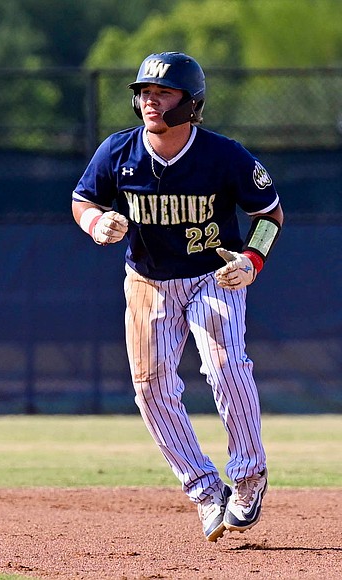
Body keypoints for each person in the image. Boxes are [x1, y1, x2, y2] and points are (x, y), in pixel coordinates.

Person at [71, 51, 283, 542]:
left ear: (191, 104)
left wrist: (251, 262)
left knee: (226, 365)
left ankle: (249, 478)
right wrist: (96, 223)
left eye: (163, 92)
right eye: (144, 92)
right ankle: (206, 491)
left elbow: (269, 215)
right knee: (150, 387)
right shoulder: (118, 152)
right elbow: (84, 200)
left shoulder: (224, 156)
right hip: (148, 278)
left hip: (214, 274)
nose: (150, 100)